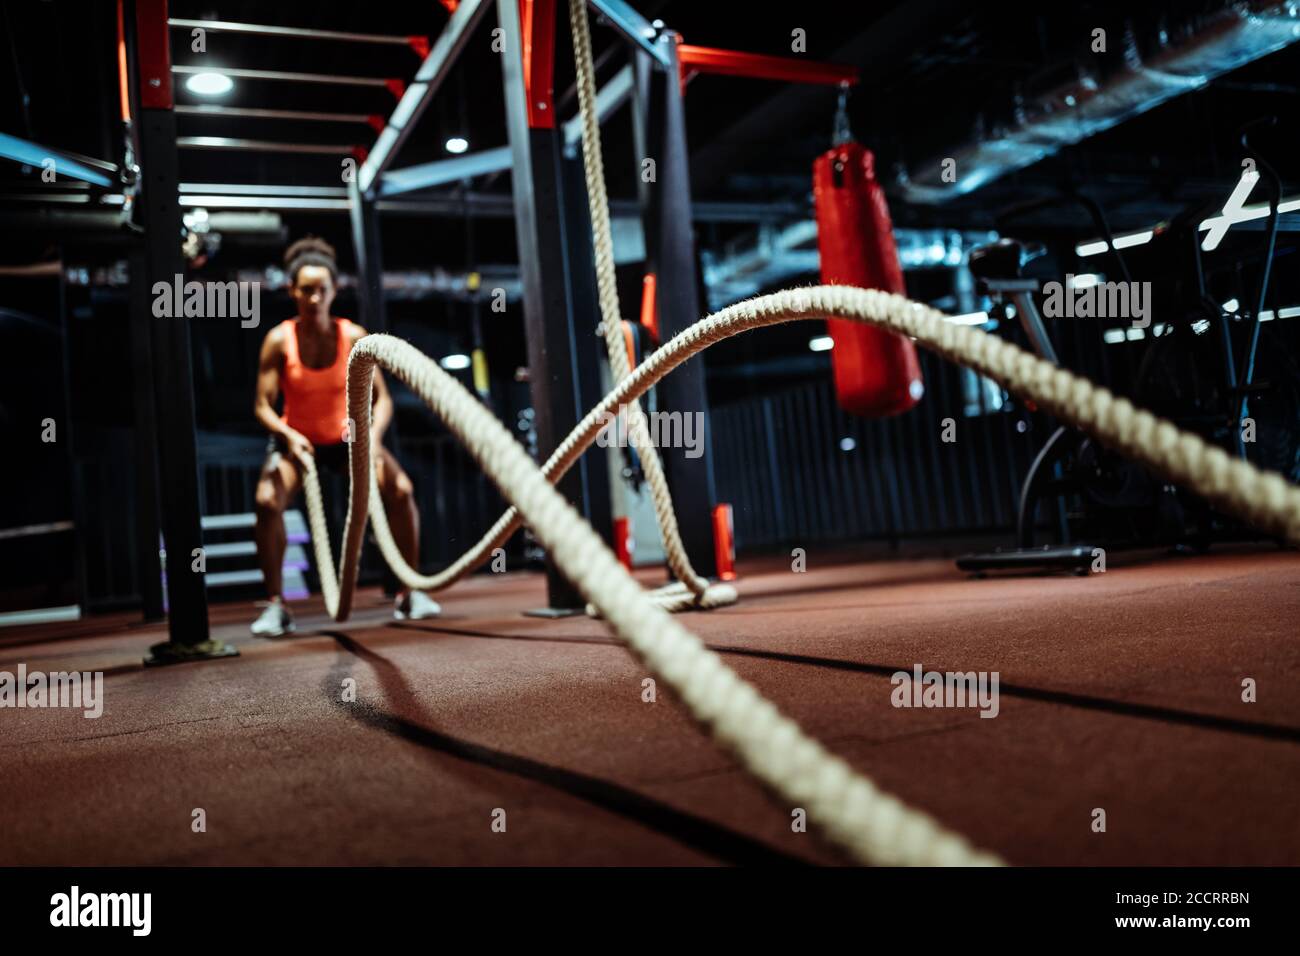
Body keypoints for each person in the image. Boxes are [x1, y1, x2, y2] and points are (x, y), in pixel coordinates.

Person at [249, 237, 439, 636]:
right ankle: (276, 605)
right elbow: (262, 406)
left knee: (401, 490)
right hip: (298, 443)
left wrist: (372, 437)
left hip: (348, 441)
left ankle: (409, 593)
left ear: (335, 290)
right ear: (292, 291)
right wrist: (288, 435)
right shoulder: (279, 340)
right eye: (306, 290)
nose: (314, 298)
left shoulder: (353, 336)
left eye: (322, 290)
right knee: (267, 501)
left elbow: (382, 400)